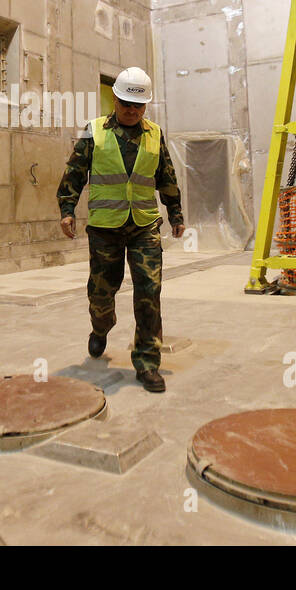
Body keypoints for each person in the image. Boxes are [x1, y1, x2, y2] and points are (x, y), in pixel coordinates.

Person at [56, 67, 185, 392]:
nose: (131, 110)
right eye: (126, 103)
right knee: (101, 293)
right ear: (115, 99)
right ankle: (101, 328)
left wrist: (175, 213)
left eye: (138, 106)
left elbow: (166, 176)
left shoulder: (155, 134)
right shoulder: (94, 131)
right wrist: (67, 209)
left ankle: (147, 363)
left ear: (146, 106)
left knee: (149, 293)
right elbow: (74, 172)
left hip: (144, 225)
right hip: (105, 229)